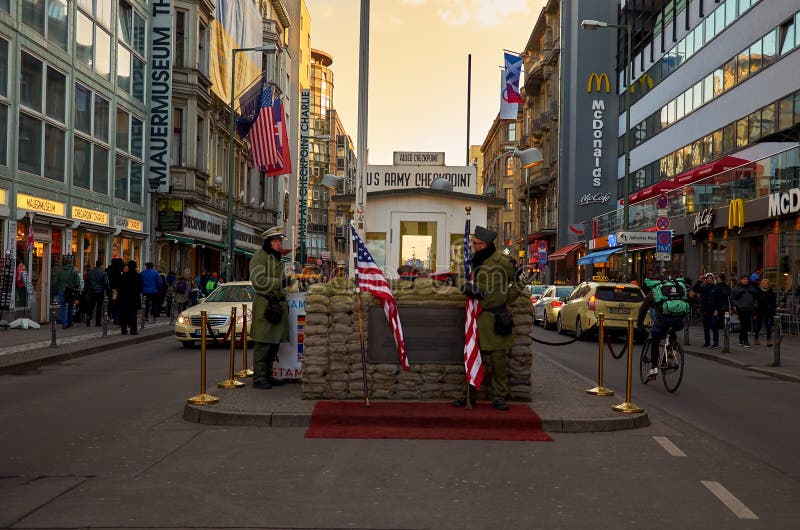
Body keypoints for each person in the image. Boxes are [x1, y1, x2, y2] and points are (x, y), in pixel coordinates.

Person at [453, 226, 517, 411]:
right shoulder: (472, 261)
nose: (473, 246)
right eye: (472, 243)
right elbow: (459, 276)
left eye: (476, 244)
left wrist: (508, 297)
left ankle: (499, 398)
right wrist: (465, 287)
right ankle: (469, 396)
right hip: (477, 319)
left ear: (486, 244)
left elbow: (521, 279)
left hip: (496, 319)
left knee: (498, 364)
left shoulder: (503, 262)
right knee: (472, 360)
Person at [249, 225, 291, 389]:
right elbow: (258, 281)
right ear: (268, 242)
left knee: (274, 343)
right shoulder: (260, 257)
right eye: (277, 241)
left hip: (276, 304)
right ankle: (259, 378)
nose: (280, 244)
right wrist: (280, 283)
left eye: (280, 240)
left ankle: (267, 374)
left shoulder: (275, 258)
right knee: (263, 344)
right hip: (265, 305)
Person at [637, 275, 690, 380]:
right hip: (679, 321)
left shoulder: (656, 290)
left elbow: (643, 308)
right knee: (672, 329)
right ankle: (672, 349)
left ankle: (654, 367)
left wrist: (639, 323)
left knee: (655, 339)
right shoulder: (678, 287)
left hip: (663, 320)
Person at [693, 273, 720, 348]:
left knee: (714, 326)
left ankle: (716, 343)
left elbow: (719, 300)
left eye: (710, 278)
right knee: (706, 328)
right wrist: (699, 281)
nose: (709, 279)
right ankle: (707, 343)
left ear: (712, 279)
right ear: (705, 280)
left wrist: (717, 310)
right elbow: (695, 289)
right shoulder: (703, 288)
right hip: (705, 310)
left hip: (713, 311)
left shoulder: (716, 288)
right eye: (707, 278)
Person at [54, 257, 82, 329]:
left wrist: (57, 289)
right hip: (70, 291)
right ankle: (70, 322)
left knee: (63, 307)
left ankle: (64, 323)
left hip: (62, 291)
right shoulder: (74, 271)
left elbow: (55, 282)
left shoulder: (60, 271)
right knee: (70, 307)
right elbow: (78, 282)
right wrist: (74, 286)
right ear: (71, 263)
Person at [731, 274, 757, 348]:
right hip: (741, 309)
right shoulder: (736, 288)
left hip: (750, 309)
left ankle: (741, 338)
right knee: (744, 324)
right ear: (741, 280)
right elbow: (732, 298)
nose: (746, 280)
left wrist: (755, 304)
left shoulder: (752, 288)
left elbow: (755, 297)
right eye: (744, 279)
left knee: (746, 325)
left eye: (747, 279)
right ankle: (746, 341)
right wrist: (737, 305)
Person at [118, 260, 143, 335]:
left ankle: (124, 329)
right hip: (134, 298)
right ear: (135, 267)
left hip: (124, 297)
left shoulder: (124, 276)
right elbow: (140, 288)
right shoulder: (138, 276)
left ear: (128, 267)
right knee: (133, 314)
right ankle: (133, 330)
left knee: (124, 313)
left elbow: (120, 287)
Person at [753, 277, 777, 347]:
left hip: (768, 311)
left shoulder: (771, 292)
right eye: (764, 283)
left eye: (766, 283)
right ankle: (756, 337)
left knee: (768, 326)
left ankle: (769, 340)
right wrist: (755, 311)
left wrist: (773, 310)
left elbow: (774, 303)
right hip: (759, 311)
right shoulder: (757, 291)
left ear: (768, 284)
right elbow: (755, 302)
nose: (765, 284)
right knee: (759, 326)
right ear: (761, 284)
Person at [85, 260, 109, 327]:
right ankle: (98, 322)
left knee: (91, 306)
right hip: (100, 292)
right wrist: (107, 291)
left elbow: (87, 282)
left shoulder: (90, 272)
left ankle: (88, 317)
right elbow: (106, 283)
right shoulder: (103, 273)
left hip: (91, 291)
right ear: (101, 265)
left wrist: (86, 291)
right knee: (99, 307)